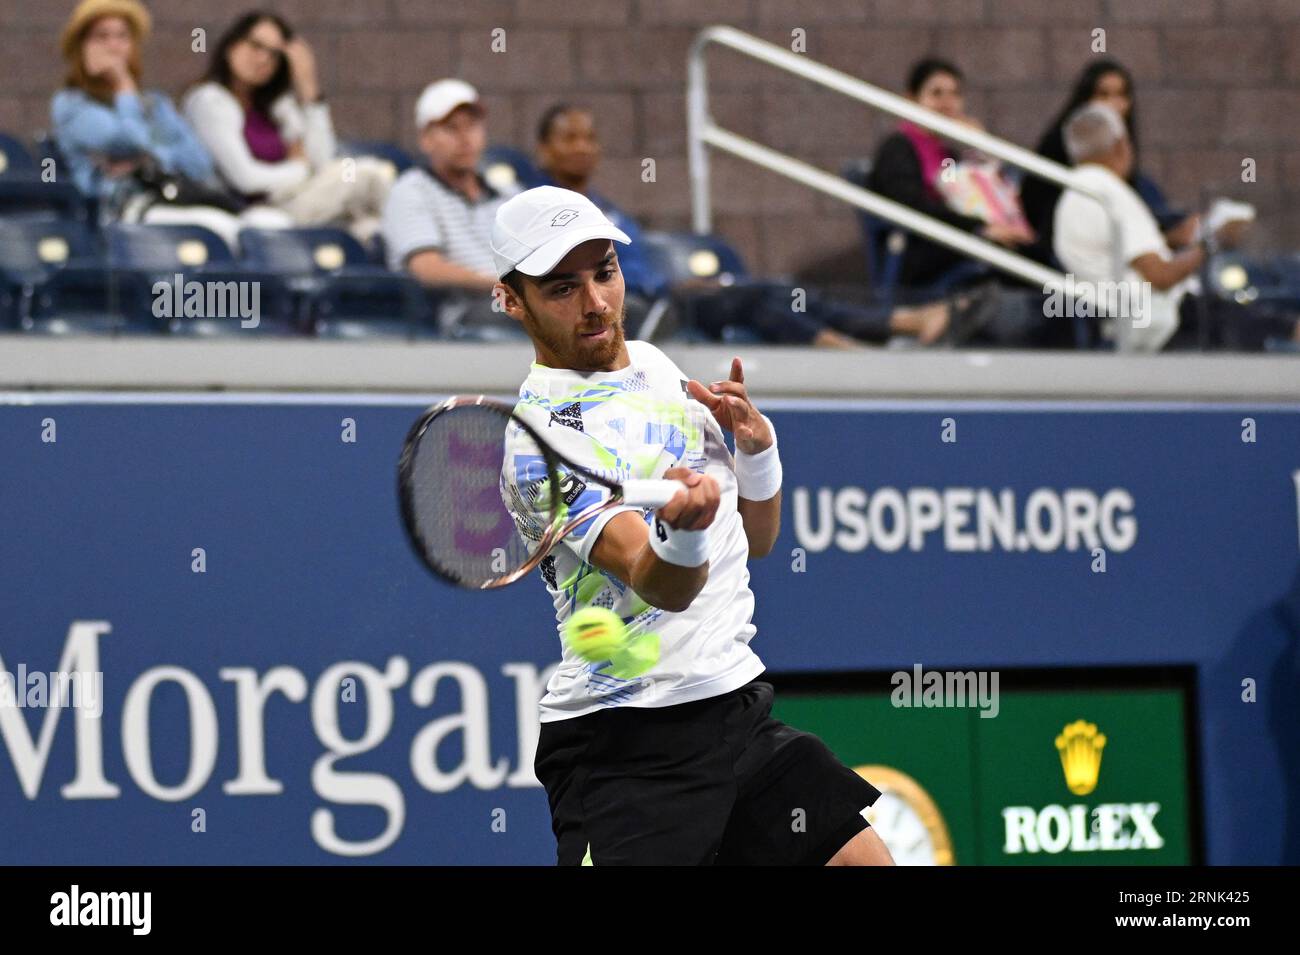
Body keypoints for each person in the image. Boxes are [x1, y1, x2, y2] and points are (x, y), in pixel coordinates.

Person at [494, 185, 894, 866]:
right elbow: (662, 583)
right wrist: (682, 530)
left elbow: (759, 537)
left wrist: (757, 452)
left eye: (605, 273)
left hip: (733, 710)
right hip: (625, 753)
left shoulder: (653, 366)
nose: (595, 303)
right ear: (510, 299)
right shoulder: (536, 447)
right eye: (562, 287)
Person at [533, 103, 959, 347]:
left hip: (669, 296)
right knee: (758, 302)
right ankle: (851, 352)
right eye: (569, 139)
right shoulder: (544, 210)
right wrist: (672, 290)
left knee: (779, 287)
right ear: (544, 151)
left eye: (589, 137)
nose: (583, 147)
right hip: (648, 310)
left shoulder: (608, 208)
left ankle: (899, 322)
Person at [1053, 104, 1299, 352]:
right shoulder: (1107, 192)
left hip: (1138, 316)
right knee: (1281, 322)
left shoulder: (1076, 194)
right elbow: (1160, 276)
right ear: (1119, 145)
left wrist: (1173, 240)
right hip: (1169, 320)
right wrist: (1215, 240)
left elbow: (1125, 256)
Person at [50, 0, 271, 246]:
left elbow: (199, 162)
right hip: (121, 215)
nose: (114, 46)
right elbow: (129, 142)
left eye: (123, 37)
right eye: (102, 37)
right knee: (220, 231)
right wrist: (123, 86)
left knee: (269, 225)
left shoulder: (155, 103)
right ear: (81, 46)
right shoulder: (72, 104)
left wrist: (150, 157)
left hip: (177, 198)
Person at [183, 10, 393, 241]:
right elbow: (245, 179)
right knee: (368, 174)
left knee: (369, 228)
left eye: (273, 55)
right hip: (255, 209)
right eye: (256, 46)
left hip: (295, 197)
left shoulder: (277, 107)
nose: (263, 59)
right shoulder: (209, 100)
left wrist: (309, 91)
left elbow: (322, 160)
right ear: (232, 46)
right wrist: (301, 169)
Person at [867, 58, 1034, 291]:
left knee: (1028, 246)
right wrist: (979, 228)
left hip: (958, 239)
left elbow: (992, 194)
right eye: (936, 93)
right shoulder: (899, 148)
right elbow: (913, 206)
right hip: (923, 248)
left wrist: (979, 146)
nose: (947, 103)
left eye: (954, 94)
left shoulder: (948, 152)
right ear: (911, 100)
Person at [381, 79, 521, 337]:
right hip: (461, 314)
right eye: (451, 128)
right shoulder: (411, 190)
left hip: (517, 299)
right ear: (426, 139)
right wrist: (500, 286)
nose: (465, 138)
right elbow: (426, 268)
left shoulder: (508, 194)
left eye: (472, 126)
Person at [1022, 59, 1198, 259]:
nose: (1113, 104)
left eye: (1121, 95)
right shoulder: (1066, 142)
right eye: (1103, 95)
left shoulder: (1123, 143)